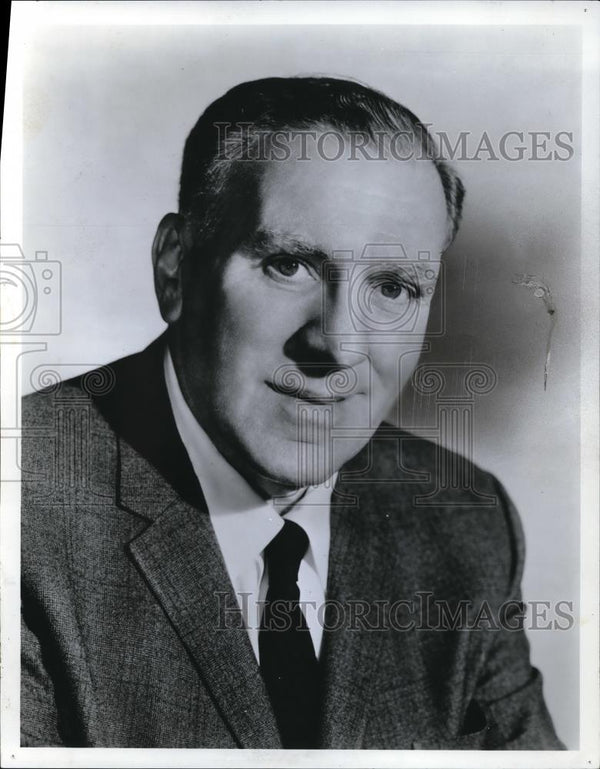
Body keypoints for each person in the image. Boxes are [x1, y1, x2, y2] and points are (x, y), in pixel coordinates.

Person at [20, 76, 563, 749]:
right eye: (288, 265)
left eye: (394, 287)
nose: (339, 344)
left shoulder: (463, 525)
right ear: (175, 267)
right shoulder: (23, 509)